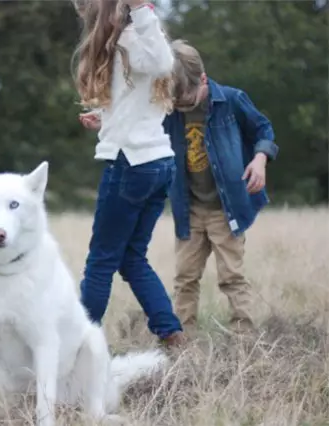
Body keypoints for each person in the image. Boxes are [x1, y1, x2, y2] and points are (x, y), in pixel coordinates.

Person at [74, 0, 185, 347]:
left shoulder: (133, 37)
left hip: (131, 164)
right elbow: (138, 101)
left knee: (101, 261)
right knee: (131, 259)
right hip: (156, 162)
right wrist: (105, 120)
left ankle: (79, 344)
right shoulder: (129, 40)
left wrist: (140, 7)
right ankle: (170, 333)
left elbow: (163, 62)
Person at [164, 40, 278, 333]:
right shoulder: (168, 109)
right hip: (188, 208)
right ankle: (183, 341)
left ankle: (244, 341)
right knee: (184, 278)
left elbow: (263, 129)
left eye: (187, 102)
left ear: (203, 80)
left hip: (226, 210)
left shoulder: (231, 99)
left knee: (232, 277)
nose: (181, 108)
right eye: (176, 104)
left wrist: (260, 159)